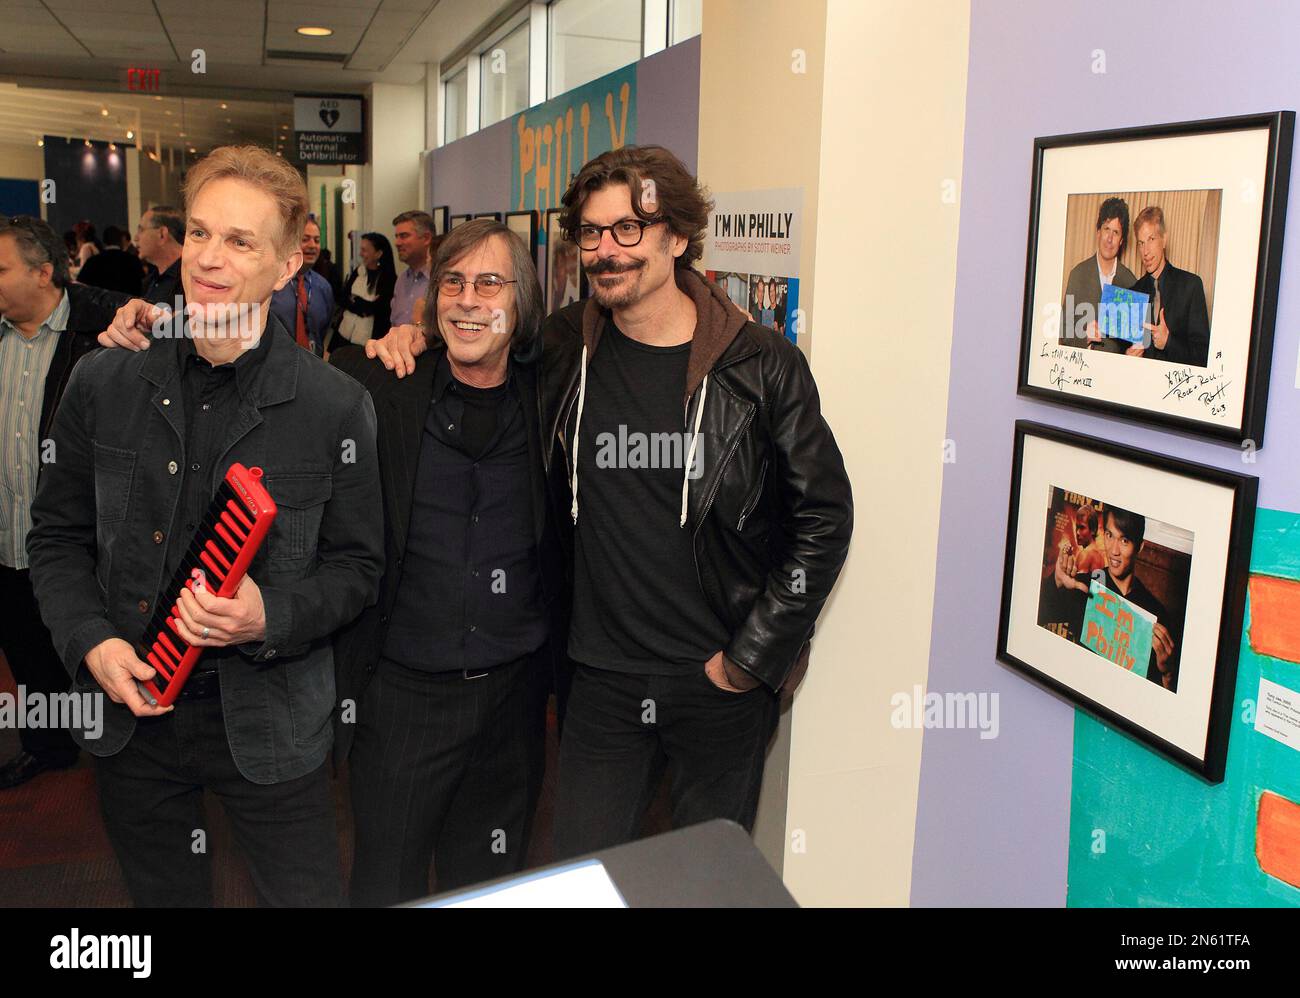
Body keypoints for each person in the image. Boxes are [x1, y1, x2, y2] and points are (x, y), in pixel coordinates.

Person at [28, 144, 385, 907]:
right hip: (133, 715)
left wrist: (271, 613)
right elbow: (55, 539)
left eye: (240, 241)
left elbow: (359, 567)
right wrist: (90, 640)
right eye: (198, 234)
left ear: (290, 265)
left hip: (271, 721)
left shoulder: (334, 406)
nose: (210, 260)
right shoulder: (105, 379)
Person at [333, 219, 566, 905]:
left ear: (521, 301)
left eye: (489, 283)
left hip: (514, 703)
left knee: (488, 887)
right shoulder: (379, 388)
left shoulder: (553, 397)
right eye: (453, 284)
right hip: (403, 699)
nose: (468, 300)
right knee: (385, 882)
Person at [0, 216, 128, 790]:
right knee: (26, 655)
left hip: (81, 546)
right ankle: (46, 746)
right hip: (7, 539)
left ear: (42, 272)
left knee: (93, 651)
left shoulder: (106, 334)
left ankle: (116, 753)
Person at [1053, 506, 1179, 691]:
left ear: (1139, 547)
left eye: (1124, 540)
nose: (1113, 550)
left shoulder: (1156, 613)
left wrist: (1168, 674)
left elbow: (1158, 698)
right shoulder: (1083, 585)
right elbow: (1036, 615)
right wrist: (1056, 581)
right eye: (1109, 535)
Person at [1126, 205, 1211, 367]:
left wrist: (1168, 342)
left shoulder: (1191, 286)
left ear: (1164, 240)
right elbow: (1121, 348)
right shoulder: (1133, 292)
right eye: (1140, 243)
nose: (1145, 251)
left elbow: (1203, 356)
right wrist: (1127, 356)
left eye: (1151, 239)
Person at [1060, 197, 1138, 350]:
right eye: (1106, 229)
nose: (1109, 238)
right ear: (1098, 232)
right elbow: (1064, 332)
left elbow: (1133, 342)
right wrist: (1084, 337)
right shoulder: (1078, 274)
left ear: (1121, 241)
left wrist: (1133, 352)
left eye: (1115, 232)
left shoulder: (1130, 282)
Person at [268, 216, 334, 355]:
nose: (312, 245)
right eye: (305, 239)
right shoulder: (271, 284)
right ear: (290, 242)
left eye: (316, 240)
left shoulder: (323, 288)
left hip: (313, 367)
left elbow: (322, 330)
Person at [332, 232, 395, 354]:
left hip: (368, 342)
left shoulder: (388, 279)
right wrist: (363, 306)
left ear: (378, 254)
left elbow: (378, 309)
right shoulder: (358, 271)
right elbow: (344, 298)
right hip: (345, 333)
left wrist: (355, 300)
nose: (360, 254)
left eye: (364, 250)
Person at [390, 210, 435, 327]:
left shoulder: (439, 281)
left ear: (426, 238)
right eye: (396, 237)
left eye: (404, 236)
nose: (397, 243)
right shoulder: (401, 279)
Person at [136, 205, 185, 306]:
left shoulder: (192, 279)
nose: (136, 238)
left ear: (162, 234)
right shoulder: (149, 282)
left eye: (141, 230)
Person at [75, 224, 143, 296]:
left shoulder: (93, 262)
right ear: (121, 240)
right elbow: (141, 286)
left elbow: (81, 285)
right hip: (129, 304)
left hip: (99, 305)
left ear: (104, 241)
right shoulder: (132, 260)